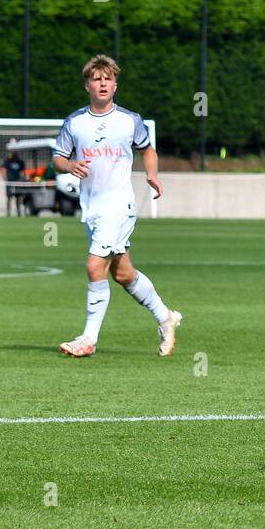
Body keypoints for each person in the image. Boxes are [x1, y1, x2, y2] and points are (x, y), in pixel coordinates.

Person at [52, 55, 183, 358]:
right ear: (87, 85)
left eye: (108, 79)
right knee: (123, 274)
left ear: (115, 85)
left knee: (94, 265)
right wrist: (70, 164)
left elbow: (147, 150)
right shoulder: (75, 122)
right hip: (92, 208)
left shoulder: (129, 120)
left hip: (120, 205)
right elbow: (58, 159)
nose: (102, 83)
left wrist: (151, 174)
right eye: (96, 79)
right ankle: (166, 318)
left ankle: (88, 339)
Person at [3, 148, 26, 216]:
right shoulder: (8, 161)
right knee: (9, 197)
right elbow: (3, 169)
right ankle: (8, 212)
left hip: (18, 182)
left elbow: (24, 171)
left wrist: (22, 180)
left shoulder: (20, 162)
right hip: (10, 182)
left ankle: (19, 212)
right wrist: (5, 179)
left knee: (18, 197)